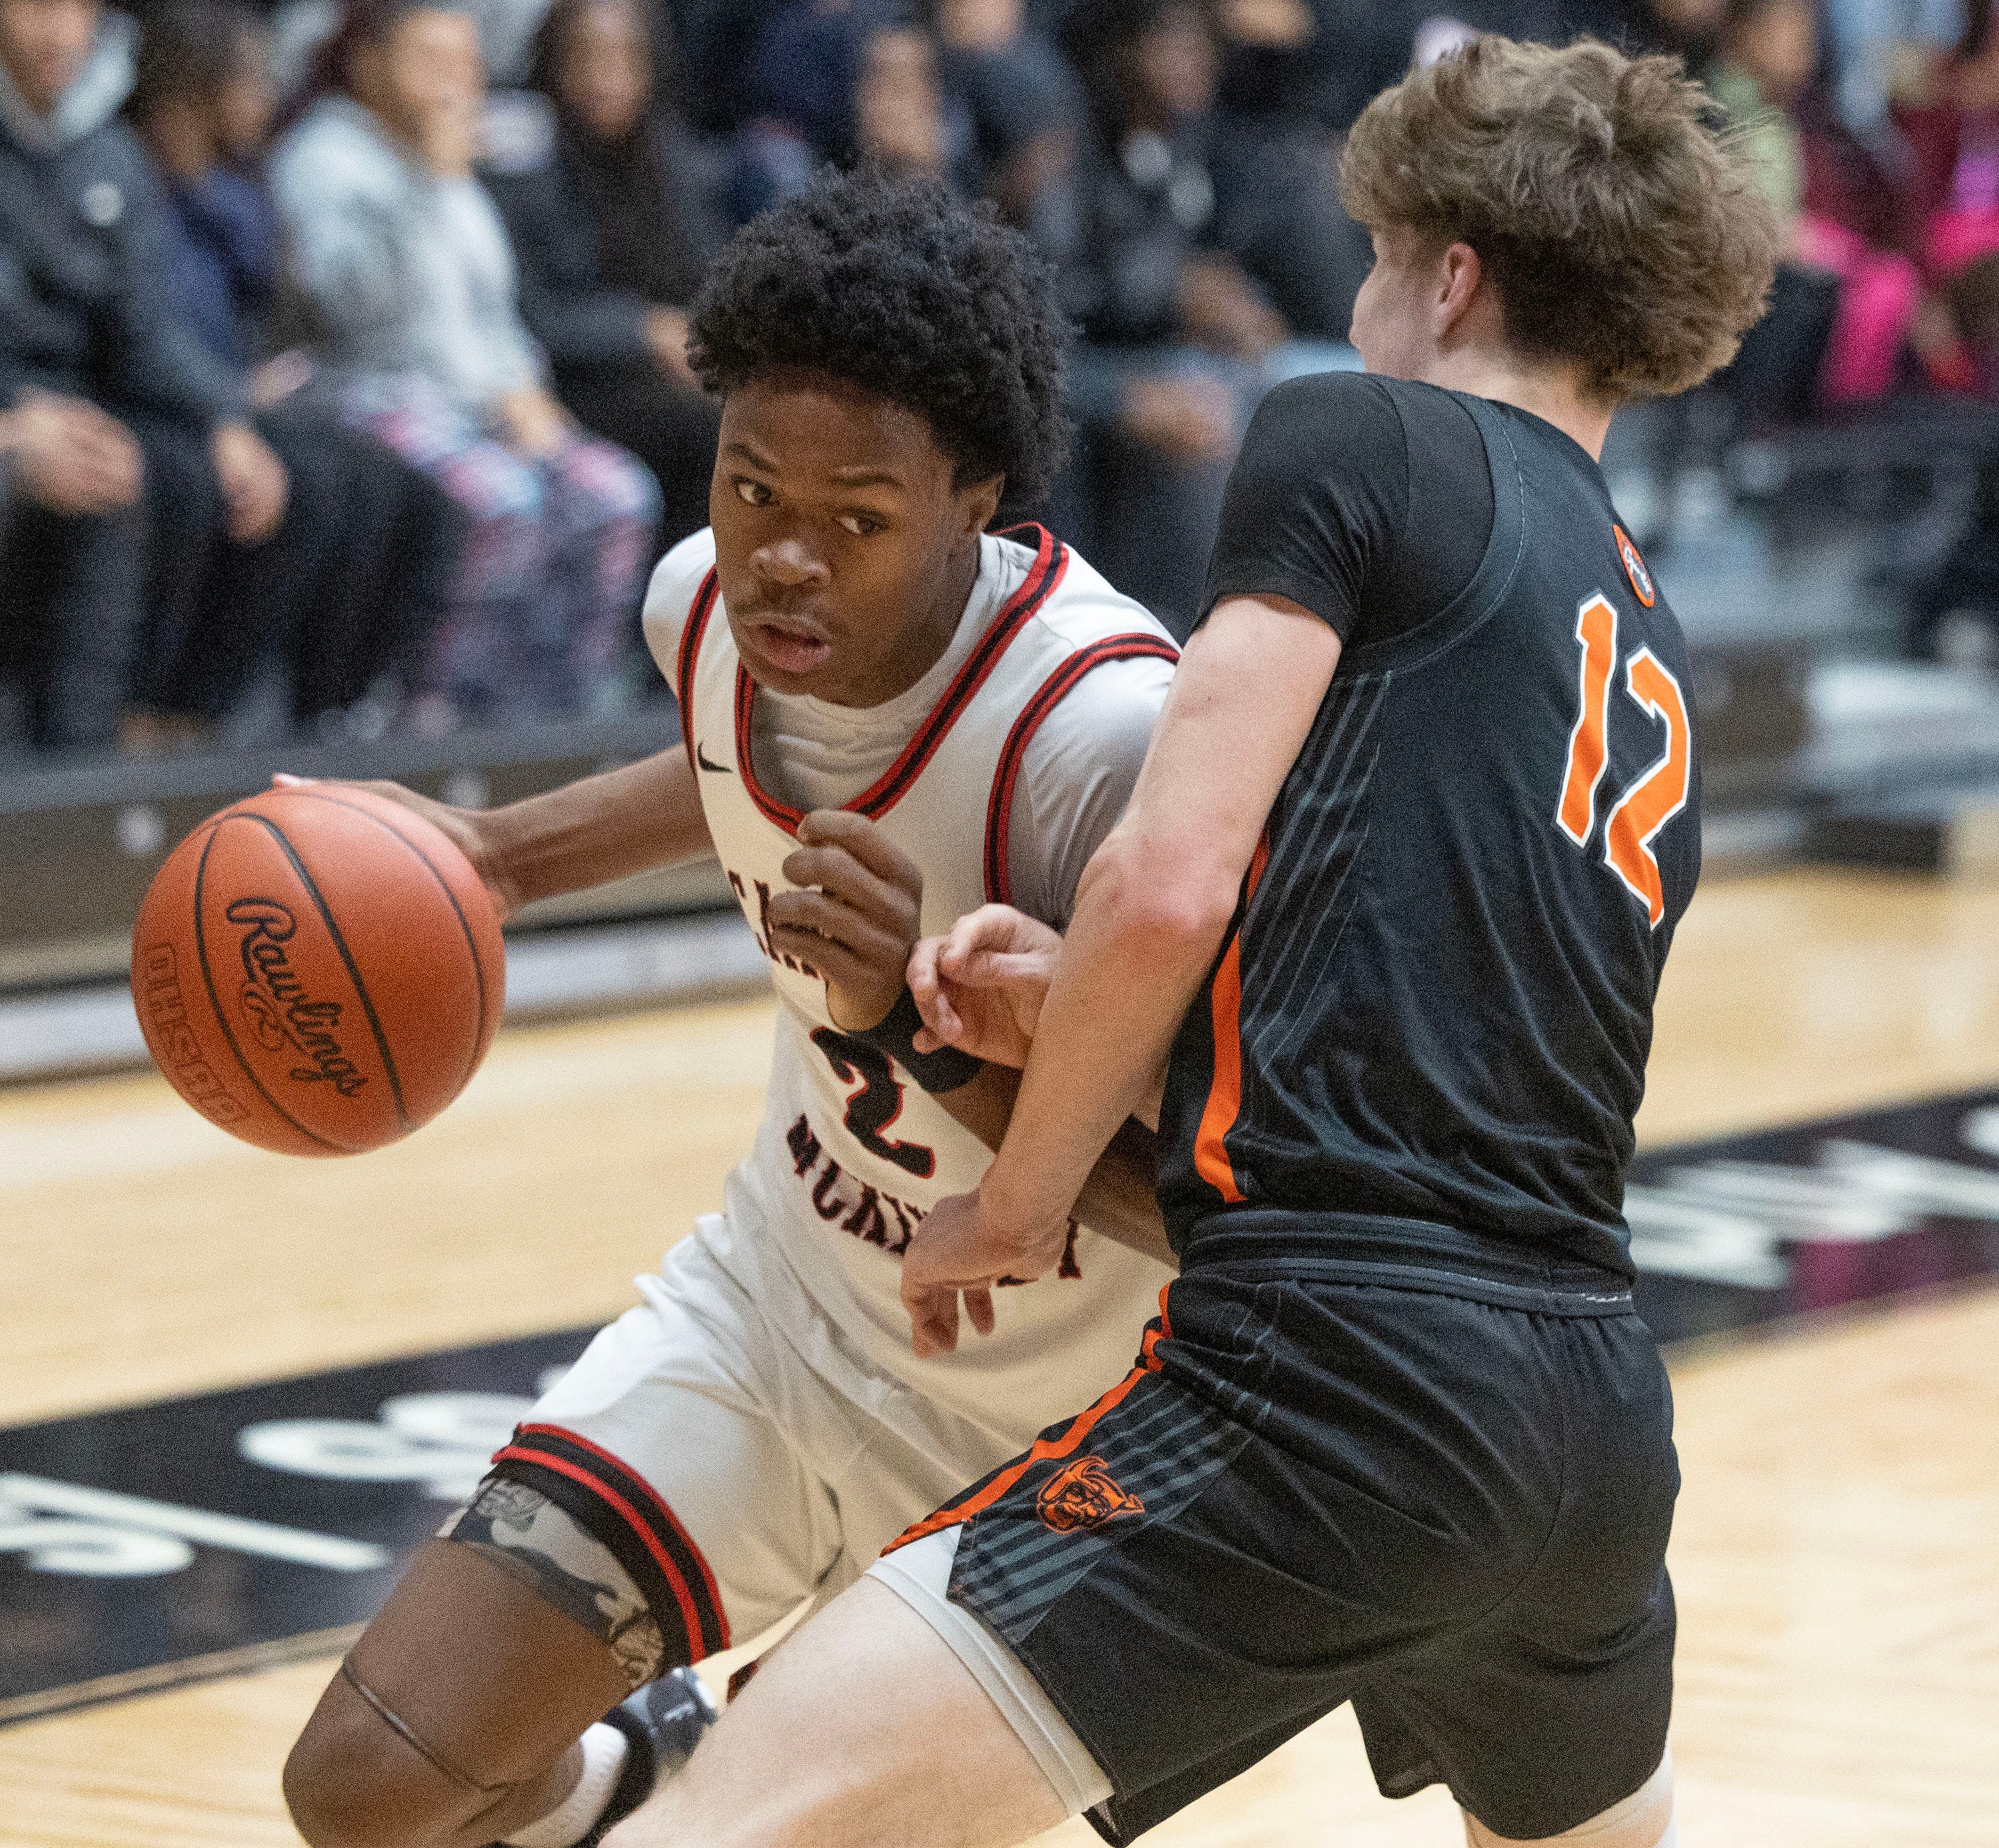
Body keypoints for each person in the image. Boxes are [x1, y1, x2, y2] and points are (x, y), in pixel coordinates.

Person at [555, 35, 1779, 1848]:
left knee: (717, 1814)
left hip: (1329, 1377)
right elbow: (1457, 1001)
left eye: (1373, 260)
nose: (1356, 306)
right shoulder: (1644, 621)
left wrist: (1024, 1188)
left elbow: (1167, 871)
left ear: (1452, 274)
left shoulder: (1362, 432)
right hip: (1589, 1412)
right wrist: (1108, 1007)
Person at [279, 167, 1181, 1848]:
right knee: (365, 1790)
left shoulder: (1103, 743)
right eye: (751, 486)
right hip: (777, 1318)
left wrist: (895, 1029)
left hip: (1065, 1446)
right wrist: (494, 858)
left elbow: (1230, 1204)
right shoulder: (698, 602)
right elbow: (730, 765)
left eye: (857, 519)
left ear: (975, 497)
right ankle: (639, 1774)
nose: (783, 559)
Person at [271, 0, 658, 727]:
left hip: (472, 402)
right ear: (370, 65)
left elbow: (495, 314)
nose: (454, 83)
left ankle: (546, 723)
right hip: (363, 392)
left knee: (614, 496)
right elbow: (353, 308)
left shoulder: (456, 169)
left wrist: (524, 389)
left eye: (464, 64)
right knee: (501, 501)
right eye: (431, 62)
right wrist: (426, 184)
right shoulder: (324, 156)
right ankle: (433, 724)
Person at [125, 0, 460, 737]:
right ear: (195, 85)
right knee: (311, 485)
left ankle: (334, 711)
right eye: (249, 78)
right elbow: (140, 333)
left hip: (243, 392)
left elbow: (270, 317)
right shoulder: (135, 183)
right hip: (167, 403)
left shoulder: (236, 189)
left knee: (406, 489)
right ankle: (187, 712)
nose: (265, 94)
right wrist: (229, 399)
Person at [0, 0, 289, 751]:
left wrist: (224, 417)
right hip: (13, 420)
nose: (59, 30)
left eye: (75, 8)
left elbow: (145, 330)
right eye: (34, 6)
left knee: (119, 468)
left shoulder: (107, 152)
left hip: (68, 410)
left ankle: (84, 776)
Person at [483, 0, 725, 551]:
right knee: (705, 431)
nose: (605, 77)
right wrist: (645, 330)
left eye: (622, 59)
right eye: (587, 58)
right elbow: (532, 314)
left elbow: (714, 271)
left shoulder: (670, 158)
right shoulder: (526, 164)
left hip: (674, 367)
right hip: (575, 380)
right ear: (556, 67)